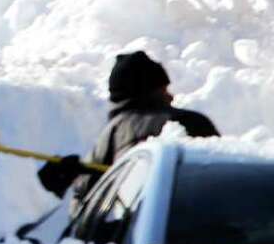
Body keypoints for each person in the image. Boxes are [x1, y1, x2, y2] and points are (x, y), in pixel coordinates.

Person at [39, 51, 220, 204]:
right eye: (164, 90)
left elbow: (87, 201)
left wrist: (75, 176)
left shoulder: (114, 132)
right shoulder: (197, 122)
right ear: (148, 92)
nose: (171, 97)